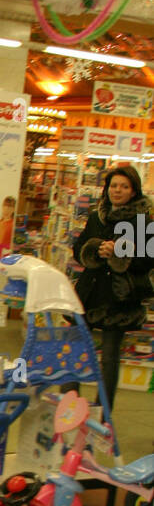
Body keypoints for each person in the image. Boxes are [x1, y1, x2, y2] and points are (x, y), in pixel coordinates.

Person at [72, 163, 154, 413]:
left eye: (124, 186)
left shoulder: (142, 221)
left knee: (109, 357)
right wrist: (97, 248)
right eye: (114, 186)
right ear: (107, 189)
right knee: (75, 348)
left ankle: (103, 411)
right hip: (90, 292)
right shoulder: (97, 216)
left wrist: (119, 252)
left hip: (119, 296)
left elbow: (148, 259)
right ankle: (70, 404)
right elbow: (79, 249)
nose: (117, 190)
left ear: (133, 190)